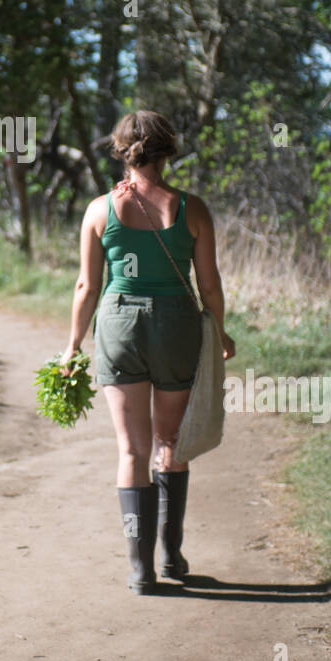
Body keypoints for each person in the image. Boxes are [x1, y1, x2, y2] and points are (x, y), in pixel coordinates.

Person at [61, 110, 235, 594]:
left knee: (132, 450)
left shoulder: (99, 211)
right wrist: (219, 332)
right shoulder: (191, 209)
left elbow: (86, 286)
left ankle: (139, 569)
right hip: (176, 324)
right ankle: (171, 554)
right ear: (167, 152)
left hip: (119, 326)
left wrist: (73, 344)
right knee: (170, 445)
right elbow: (211, 284)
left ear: (121, 151)